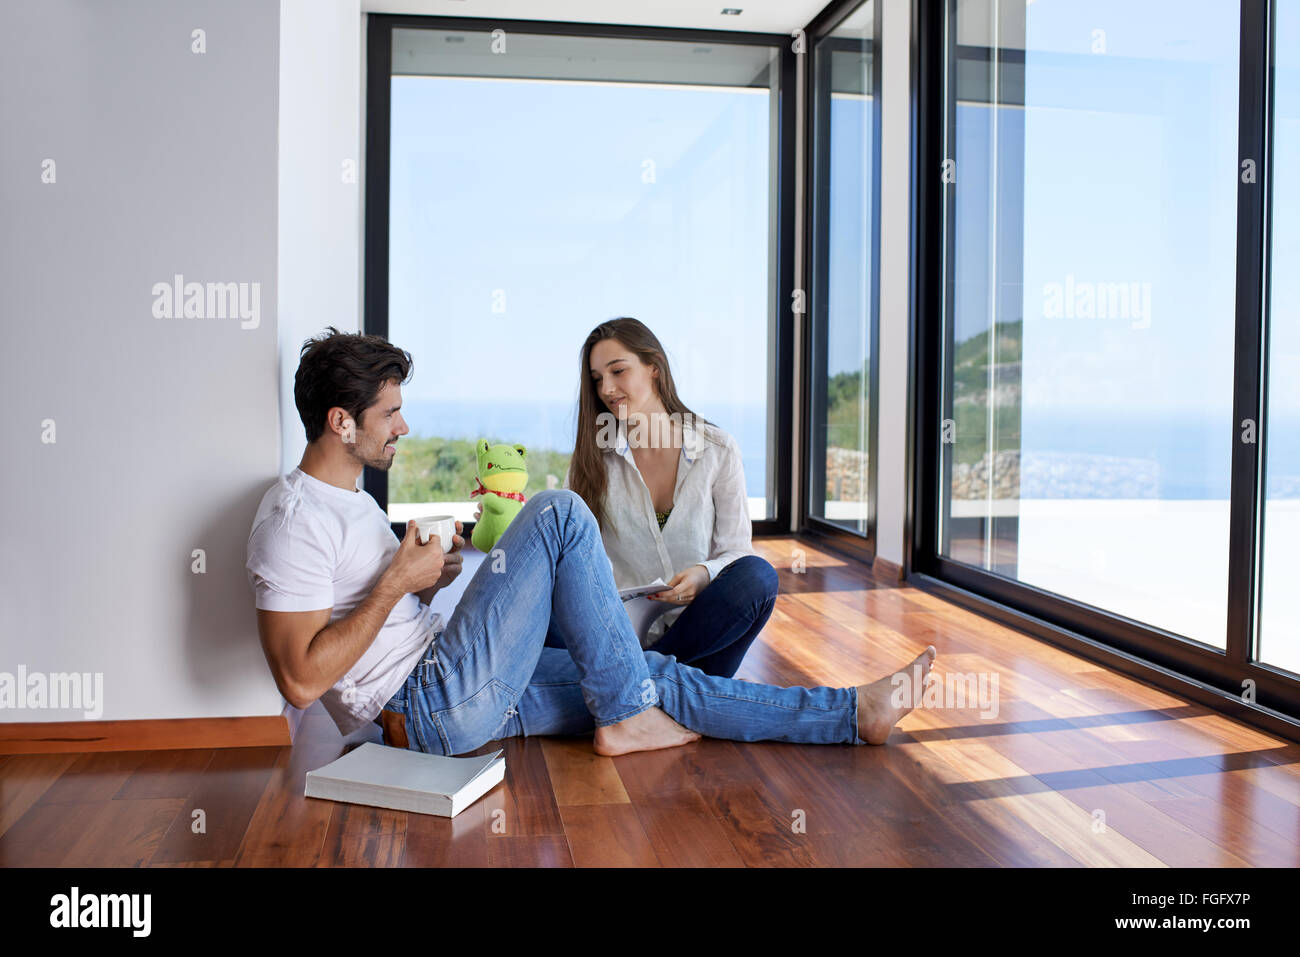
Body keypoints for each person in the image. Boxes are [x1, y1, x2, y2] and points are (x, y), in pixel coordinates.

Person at [247, 327, 936, 758]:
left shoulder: (351, 500)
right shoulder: (292, 518)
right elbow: (302, 681)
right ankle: (626, 715)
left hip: (452, 677)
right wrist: (397, 582)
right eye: (389, 412)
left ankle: (852, 713)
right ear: (341, 421)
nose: (402, 425)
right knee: (557, 511)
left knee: (650, 677)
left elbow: (372, 612)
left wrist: (423, 579)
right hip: (427, 705)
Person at [539, 318, 777, 679]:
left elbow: (736, 551)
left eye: (618, 371)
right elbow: (572, 561)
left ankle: (635, 685)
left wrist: (703, 574)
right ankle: (667, 690)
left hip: (699, 637)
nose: (607, 388)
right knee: (542, 603)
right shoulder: (591, 462)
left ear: (654, 368)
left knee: (758, 577)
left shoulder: (717, 449)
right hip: (618, 638)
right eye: (597, 378)